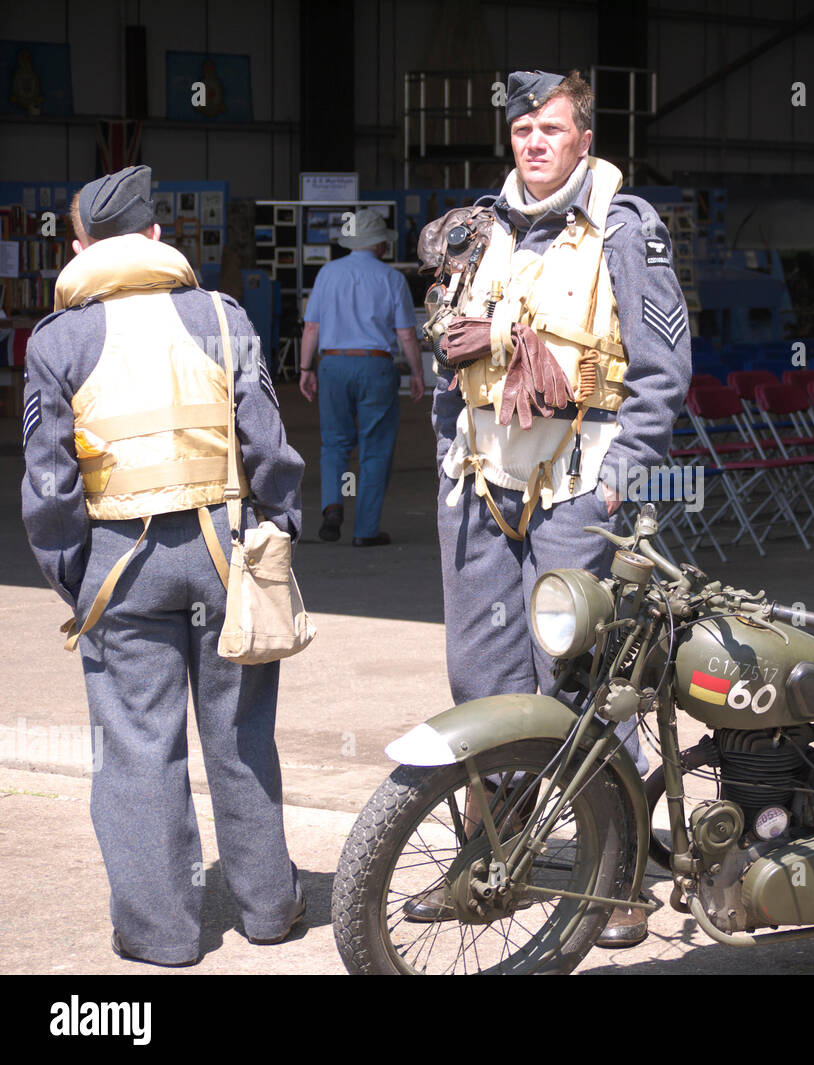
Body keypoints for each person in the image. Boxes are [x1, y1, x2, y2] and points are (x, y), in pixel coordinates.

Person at [427, 70, 692, 947]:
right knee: (482, 680)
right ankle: (488, 854)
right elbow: (447, 350)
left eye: (550, 128)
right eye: (521, 130)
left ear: (584, 137)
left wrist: (623, 476)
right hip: (480, 484)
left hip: (580, 490)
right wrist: (444, 450)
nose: (534, 142)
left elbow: (664, 373)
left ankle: (617, 878)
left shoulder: (626, 228)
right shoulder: (477, 228)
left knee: (580, 684)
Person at [19, 165, 306, 965]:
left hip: (120, 562)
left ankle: (160, 935)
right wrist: (275, 528)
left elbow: (49, 487)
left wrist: (71, 572)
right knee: (243, 736)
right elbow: (271, 448)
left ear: (79, 247)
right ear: (154, 237)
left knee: (138, 750)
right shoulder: (221, 314)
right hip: (224, 549)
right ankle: (270, 907)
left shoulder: (57, 340)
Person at [298, 208, 425, 546]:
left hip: (333, 365)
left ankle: (333, 504)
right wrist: (417, 373)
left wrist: (305, 368)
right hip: (375, 366)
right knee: (375, 448)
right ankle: (365, 530)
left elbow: (312, 327)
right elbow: (407, 335)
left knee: (334, 443)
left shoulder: (327, 274)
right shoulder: (391, 279)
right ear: (380, 244)